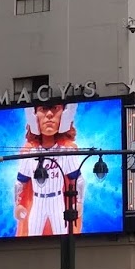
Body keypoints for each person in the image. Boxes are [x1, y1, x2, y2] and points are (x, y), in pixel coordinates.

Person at [15, 101, 81, 237]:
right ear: (34, 116)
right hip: (37, 201)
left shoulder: (66, 150)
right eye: (44, 109)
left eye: (55, 109)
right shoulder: (30, 151)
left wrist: (79, 202)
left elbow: (77, 180)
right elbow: (20, 182)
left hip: (57, 200)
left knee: (64, 237)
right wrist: (18, 204)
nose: (50, 115)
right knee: (32, 238)